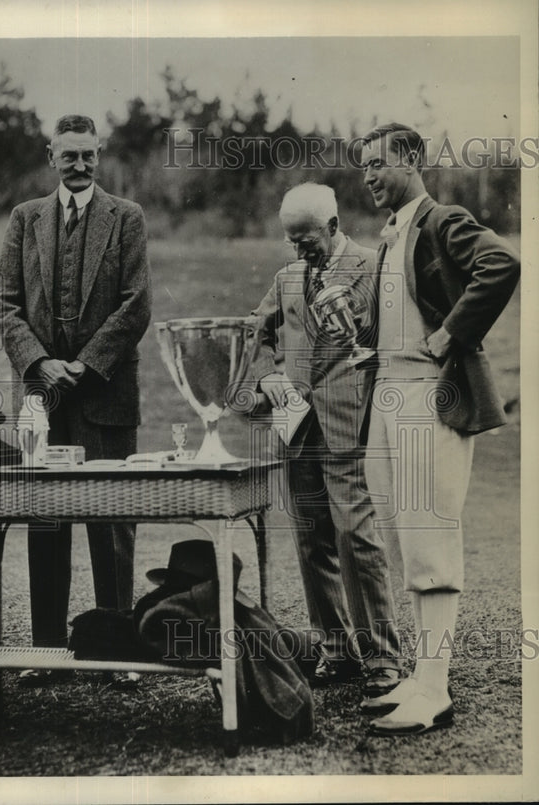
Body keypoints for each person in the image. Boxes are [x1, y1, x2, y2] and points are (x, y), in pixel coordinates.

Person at [358, 123, 519, 734]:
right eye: (363, 167)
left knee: (431, 541)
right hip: (389, 394)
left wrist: (450, 334)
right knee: (403, 540)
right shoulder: (391, 234)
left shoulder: (441, 218)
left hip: (432, 396)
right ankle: (421, 679)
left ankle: (436, 690)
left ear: (411, 161)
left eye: (378, 164)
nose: (369, 176)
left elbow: (501, 262)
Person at [0, 114, 152, 684]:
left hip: (105, 395)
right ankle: (47, 651)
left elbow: (136, 304)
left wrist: (84, 366)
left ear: (100, 153)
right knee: (46, 520)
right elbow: (7, 305)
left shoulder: (127, 217)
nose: (81, 165)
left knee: (111, 521)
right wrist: (41, 365)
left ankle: (118, 656)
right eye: (70, 156)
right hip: (43, 400)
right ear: (51, 156)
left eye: (89, 155)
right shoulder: (24, 218)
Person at [250, 183, 402, 696]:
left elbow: (389, 339)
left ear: (333, 227)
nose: (298, 251)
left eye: (307, 240)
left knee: (356, 536)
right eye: (290, 241)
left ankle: (383, 657)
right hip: (296, 428)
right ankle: (335, 649)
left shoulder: (373, 267)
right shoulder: (287, 277)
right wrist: (267, 377)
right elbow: (257, 330)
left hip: (350, 422)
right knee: (311, 537)